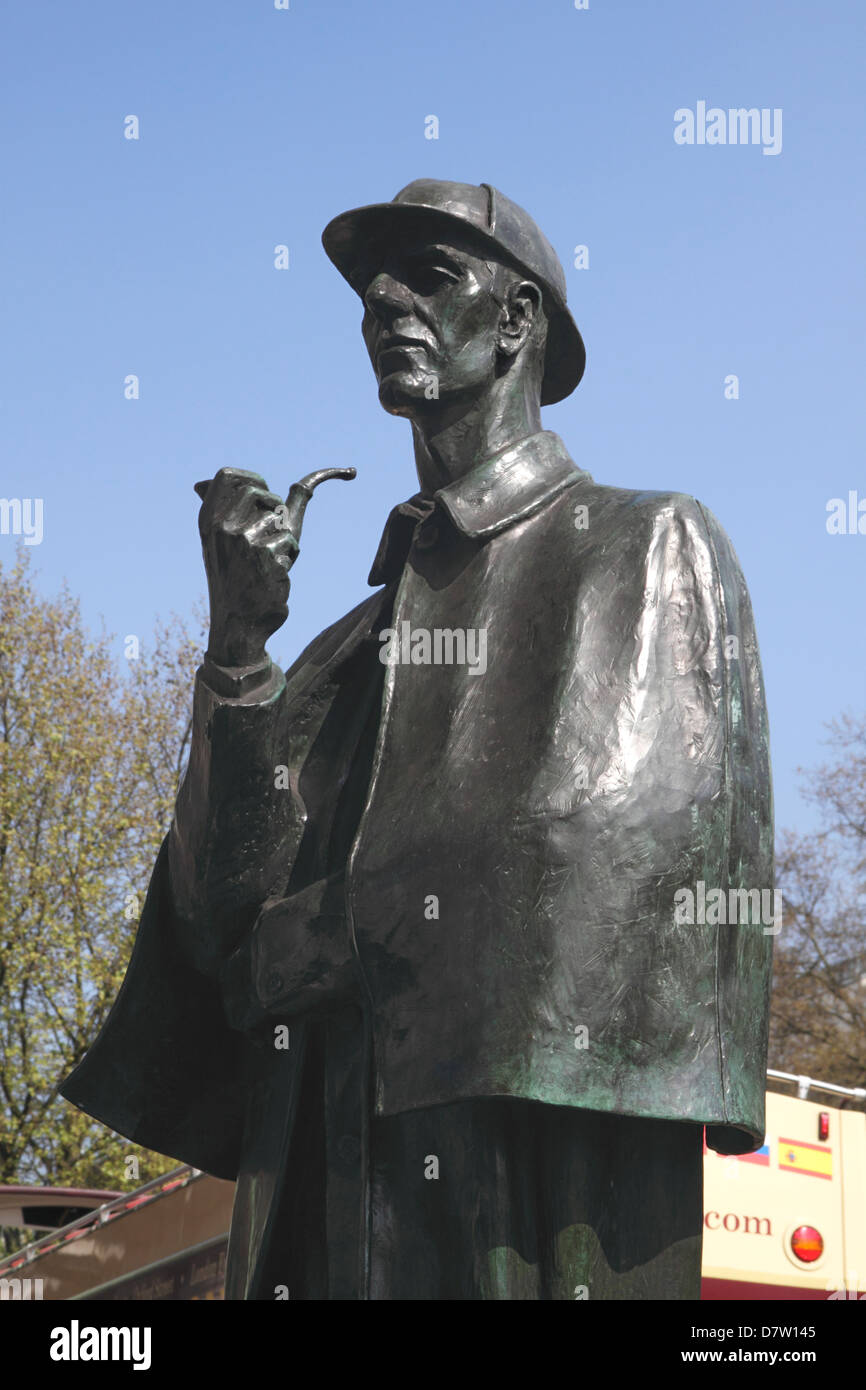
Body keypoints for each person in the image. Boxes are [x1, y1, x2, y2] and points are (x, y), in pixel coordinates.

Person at [61, 179, 774, 1300]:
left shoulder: (640, 547)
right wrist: (240, 652)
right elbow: (219, 921)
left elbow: (612, 860)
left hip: (509, 1170)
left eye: (429, 275)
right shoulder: (340, 649)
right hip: (310, 1161)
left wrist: (325, 938)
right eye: (369, 288)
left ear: (515, 321)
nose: (384, 300)